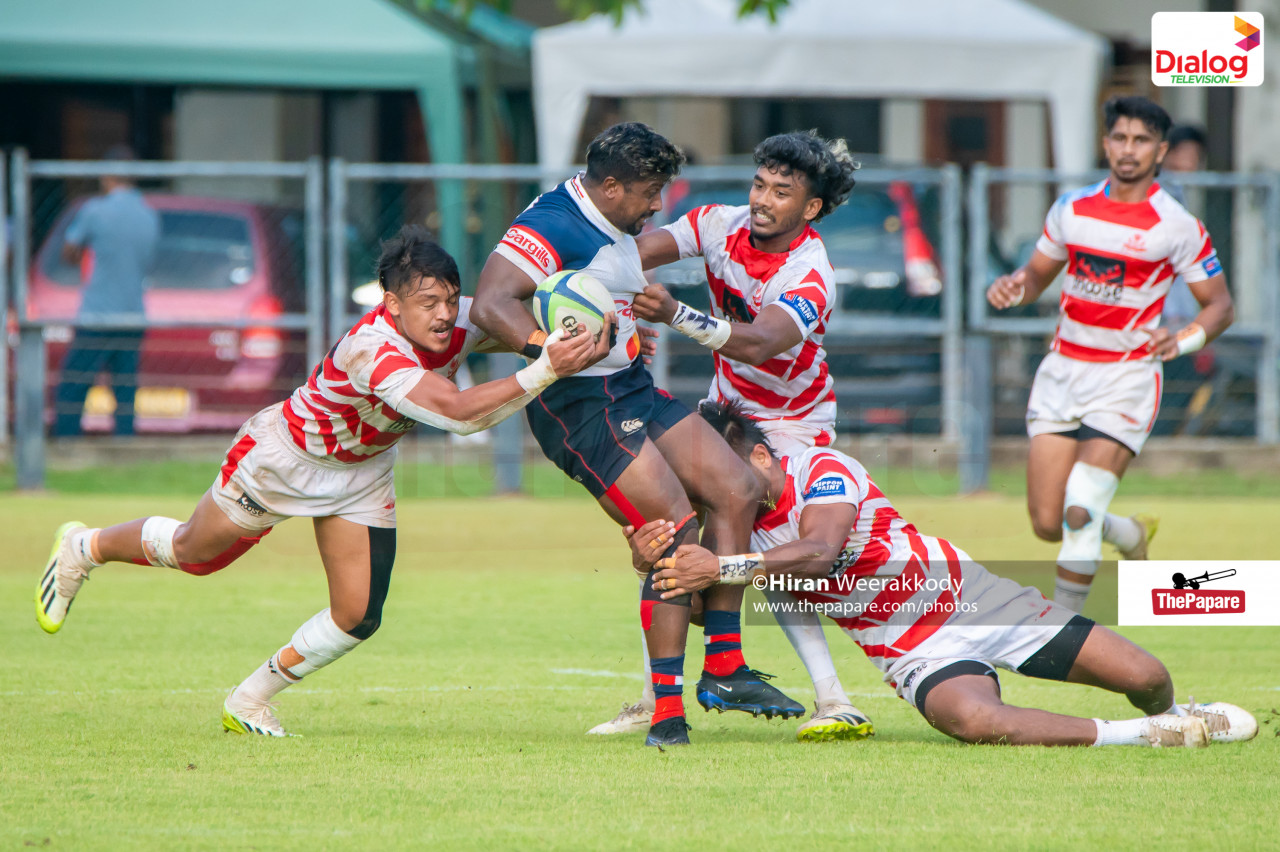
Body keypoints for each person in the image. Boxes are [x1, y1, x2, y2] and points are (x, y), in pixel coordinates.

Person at [35, 226, 609, 736]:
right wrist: (544, 368)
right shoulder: (373, 350)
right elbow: (458, 414)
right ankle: (83, 547)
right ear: (392, 303)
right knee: (196, 554)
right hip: (286, 459)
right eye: (425, 301)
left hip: (361, 472)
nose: (441, 314)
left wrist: (605, 333)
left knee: (358, 614)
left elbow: (530, 320)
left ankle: (250, 700)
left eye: (448, 300)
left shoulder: (458, 324)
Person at [631, 401, 1258, 748]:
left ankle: (1176, 708)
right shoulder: (725, 529)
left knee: (1146, 675)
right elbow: (702, 594)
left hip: (976, 598)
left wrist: (723, 564)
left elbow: (819, 552)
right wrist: (651, 556)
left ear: (758, 455)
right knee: (973, 722)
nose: (706, 488)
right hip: (907, 649)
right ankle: (1146, 734)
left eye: (712, 471)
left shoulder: (819, 468)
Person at [472, 122, 803, 747]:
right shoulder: (556, 222)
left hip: (629, 385)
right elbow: (493, 303)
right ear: (612, 185)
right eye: (650, 192)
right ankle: (666, 715)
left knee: (736, 486)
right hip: (578, 406)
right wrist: (548, 350)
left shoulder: (613, 222)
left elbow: (592, 293)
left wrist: (619, 328)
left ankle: (725, 667)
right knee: (672, 533)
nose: (657, 206)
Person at [589, 130, 872, 743]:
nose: (763, 199)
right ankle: (656, 699)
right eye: (760, 184)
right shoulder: (721, 223)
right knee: (671, 528)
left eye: (782, 191)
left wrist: (674, 316)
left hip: (792, 423)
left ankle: (833, 697)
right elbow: (632, 252)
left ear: (812, 208)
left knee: (766, 555)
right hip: (724, 407)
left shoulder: (811, 271)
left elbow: (762, 341)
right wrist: (608, 305)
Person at [986, 96, 1234, 613]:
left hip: (1127, 379)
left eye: (1141, 140)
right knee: (1048, 522)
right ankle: (1130, 532)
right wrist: (1016, 286)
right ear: (1106, 143)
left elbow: (1220, 306)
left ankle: (1065, 637)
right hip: (1062, 373)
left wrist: (1182, 338)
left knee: (1081, 509)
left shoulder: (1176, 225)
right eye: (1120, 137)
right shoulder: (1071, 209)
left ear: (1160, 150)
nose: (1128, 149)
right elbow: (1036, 277)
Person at [54, 145, 161, 437]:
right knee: (125, 388)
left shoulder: (94, 210)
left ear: (108, 175)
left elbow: (70, 251)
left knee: (73, 385)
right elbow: (148, 261)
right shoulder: (149, 215)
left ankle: (66, 442)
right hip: (133, 314)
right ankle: (124, 443)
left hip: (97, 314)